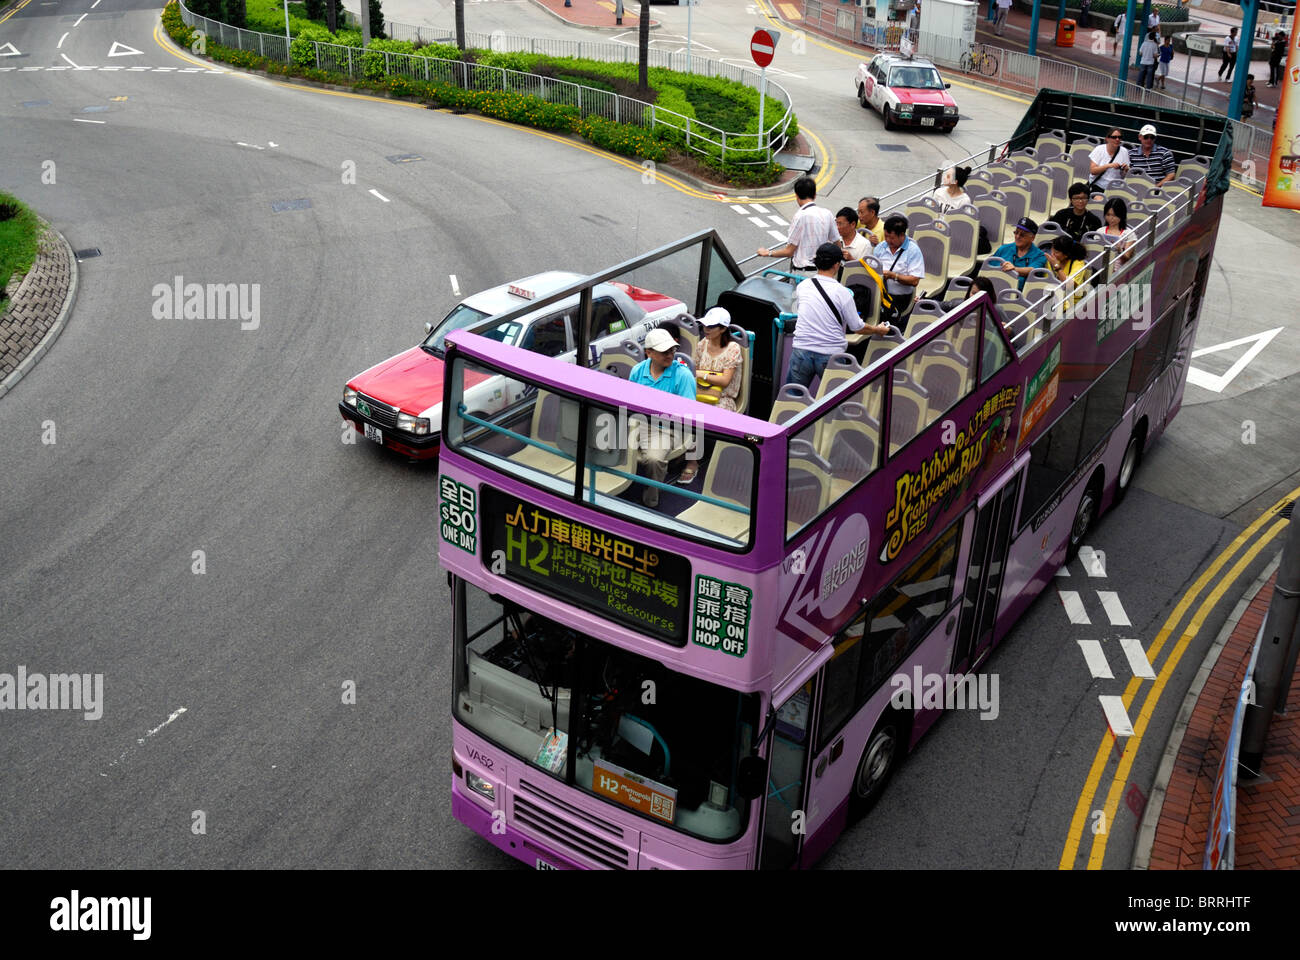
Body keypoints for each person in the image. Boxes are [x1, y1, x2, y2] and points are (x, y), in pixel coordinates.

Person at [786, 243, 888, 388]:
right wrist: (878, 329)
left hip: (801, 351)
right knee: (836, 403)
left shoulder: (803, 286)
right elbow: (857, 327)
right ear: (836, 265)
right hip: (830, 355)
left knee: (792, 399)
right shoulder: (843, 293)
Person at [629, 327, 697, 506]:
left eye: (672, 350)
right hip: (638, 423)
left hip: (667, 429)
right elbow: (628, 401)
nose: (669, 354)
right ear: (649, 352)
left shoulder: (683, 375)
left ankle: (650, 501)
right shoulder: (637, 371)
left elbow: (688, 412)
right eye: (664, 351)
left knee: (654, 459)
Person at [757, 175, 837, 271]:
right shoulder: (827, 213)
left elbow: (789, 251)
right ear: (815, 195)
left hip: (804, 272)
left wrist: (768, 253)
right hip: (823, 272)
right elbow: (837, 243)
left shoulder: (800, 216)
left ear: (796, 195)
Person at [871, 215, 926, 331]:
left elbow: (914, 280)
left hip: (900, 298)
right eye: (885, 236)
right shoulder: (880, 248)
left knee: (885, 322)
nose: (887, 241)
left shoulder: (913, 250)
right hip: (880, 294)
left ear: (902, 235)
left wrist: (893, 276)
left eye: (891, 238)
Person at [991, 216, 1048, 290]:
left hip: (1022, 296)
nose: (1017, 236)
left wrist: (1014, 269)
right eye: (1016, 232)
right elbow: (989, 269)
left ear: (1032, 238)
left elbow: (1033, 270)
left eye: (1022, 235)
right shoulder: (1003, 249)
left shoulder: (1040, 255)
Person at [1046, 236, 1091, 310]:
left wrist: (1057, 267)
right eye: (1052, 249)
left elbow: (1070, 286)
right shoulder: (1051, 261)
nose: (1052, 254)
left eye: (1056, 252)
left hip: (1071, 304)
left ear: (1066, 254)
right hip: (1054, 297)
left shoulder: (1078, 263)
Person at [1088, 127, 1130, 192]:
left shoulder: (1124, 152)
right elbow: (1093, 171)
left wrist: (1125, 170)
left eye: (1119, 137)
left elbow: (1123, 176)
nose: (1117, 139)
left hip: (1115, 188)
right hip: (1098, 185)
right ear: (1107, 138)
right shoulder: (1099, 149)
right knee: (1100, 200)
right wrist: (1109, 165)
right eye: (1114, 137)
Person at [1101, 197, 1137, 261]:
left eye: (1114, 215)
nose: (1111, 218)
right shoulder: (1100, 231)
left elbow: (1127, 258)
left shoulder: (1129, 234)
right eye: (1108, 214)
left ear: (1122, 215)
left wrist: (1119, 251)